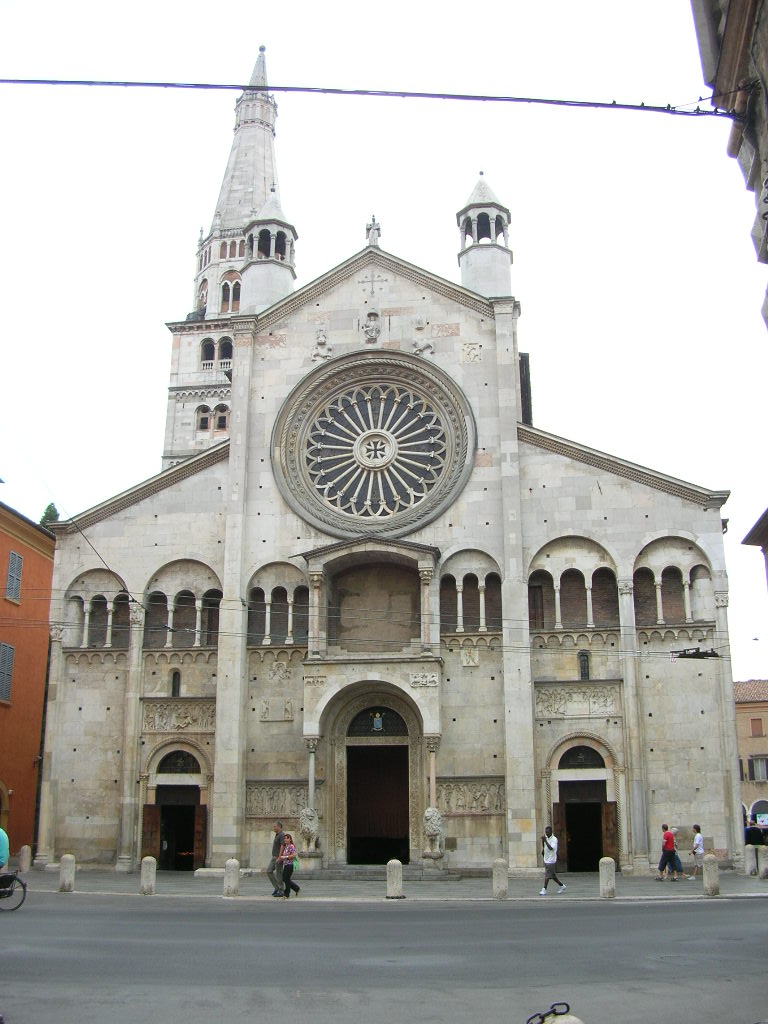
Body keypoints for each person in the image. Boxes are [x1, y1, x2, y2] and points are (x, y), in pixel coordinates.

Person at [539, 825, 566, 895]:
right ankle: (562, 886)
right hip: (546, 858)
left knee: (547, 875)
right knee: (553, 876)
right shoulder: (546, 837)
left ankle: (544, 889)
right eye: (545, 832)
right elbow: (545, 845)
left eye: (547, 832)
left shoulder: (554, 839)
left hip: (551, 860)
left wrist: (545, 840)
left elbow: (551, 848)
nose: (546, 834)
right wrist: (543, 843)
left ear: (551, 832)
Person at [277, 833, 300, 898]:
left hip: (290, 865)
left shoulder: (291, 846)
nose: (285, 839)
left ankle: (286, 894)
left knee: (286, 879)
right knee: (285, 879)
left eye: (287, 838)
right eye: (285, 838)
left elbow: (293, 855)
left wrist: (285, 857)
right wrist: (281, 858)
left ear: (290, 839)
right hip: (286, 864)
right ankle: (296, 888)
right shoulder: (286, 847)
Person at [267, 820, 285, 897]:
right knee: (269, 871)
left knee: (279, 874)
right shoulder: (277, 835)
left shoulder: (282, 835)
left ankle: (281, 890)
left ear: (279, 826)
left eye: (275, 826)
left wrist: (280, 856)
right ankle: (277, 887)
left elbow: (282, 846)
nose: (273, 828)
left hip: (278, 857)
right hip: (274, 857)